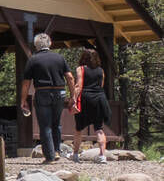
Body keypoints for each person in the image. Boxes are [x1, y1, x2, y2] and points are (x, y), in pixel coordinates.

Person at [20, 33, 76, 164]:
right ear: (50, 43)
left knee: (45, 125)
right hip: (59, 92)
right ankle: (56, 151)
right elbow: (70, 77)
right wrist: (73, 95)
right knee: (56, 123)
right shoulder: (59, 58)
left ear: (36, 45)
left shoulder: (33, 60)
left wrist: (23, 100)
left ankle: (49, 156)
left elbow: (26, 83)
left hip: (42, 92)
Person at [71, 48, 111, 164]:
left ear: (83, 58)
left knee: (79, 128)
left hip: (85, 98)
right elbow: (101, 85)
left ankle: (75, 155)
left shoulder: (81, 69)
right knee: (99, 128)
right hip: (99, 98)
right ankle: (102, 155)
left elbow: (78, 85)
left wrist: (73, 99)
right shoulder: (101, 70)